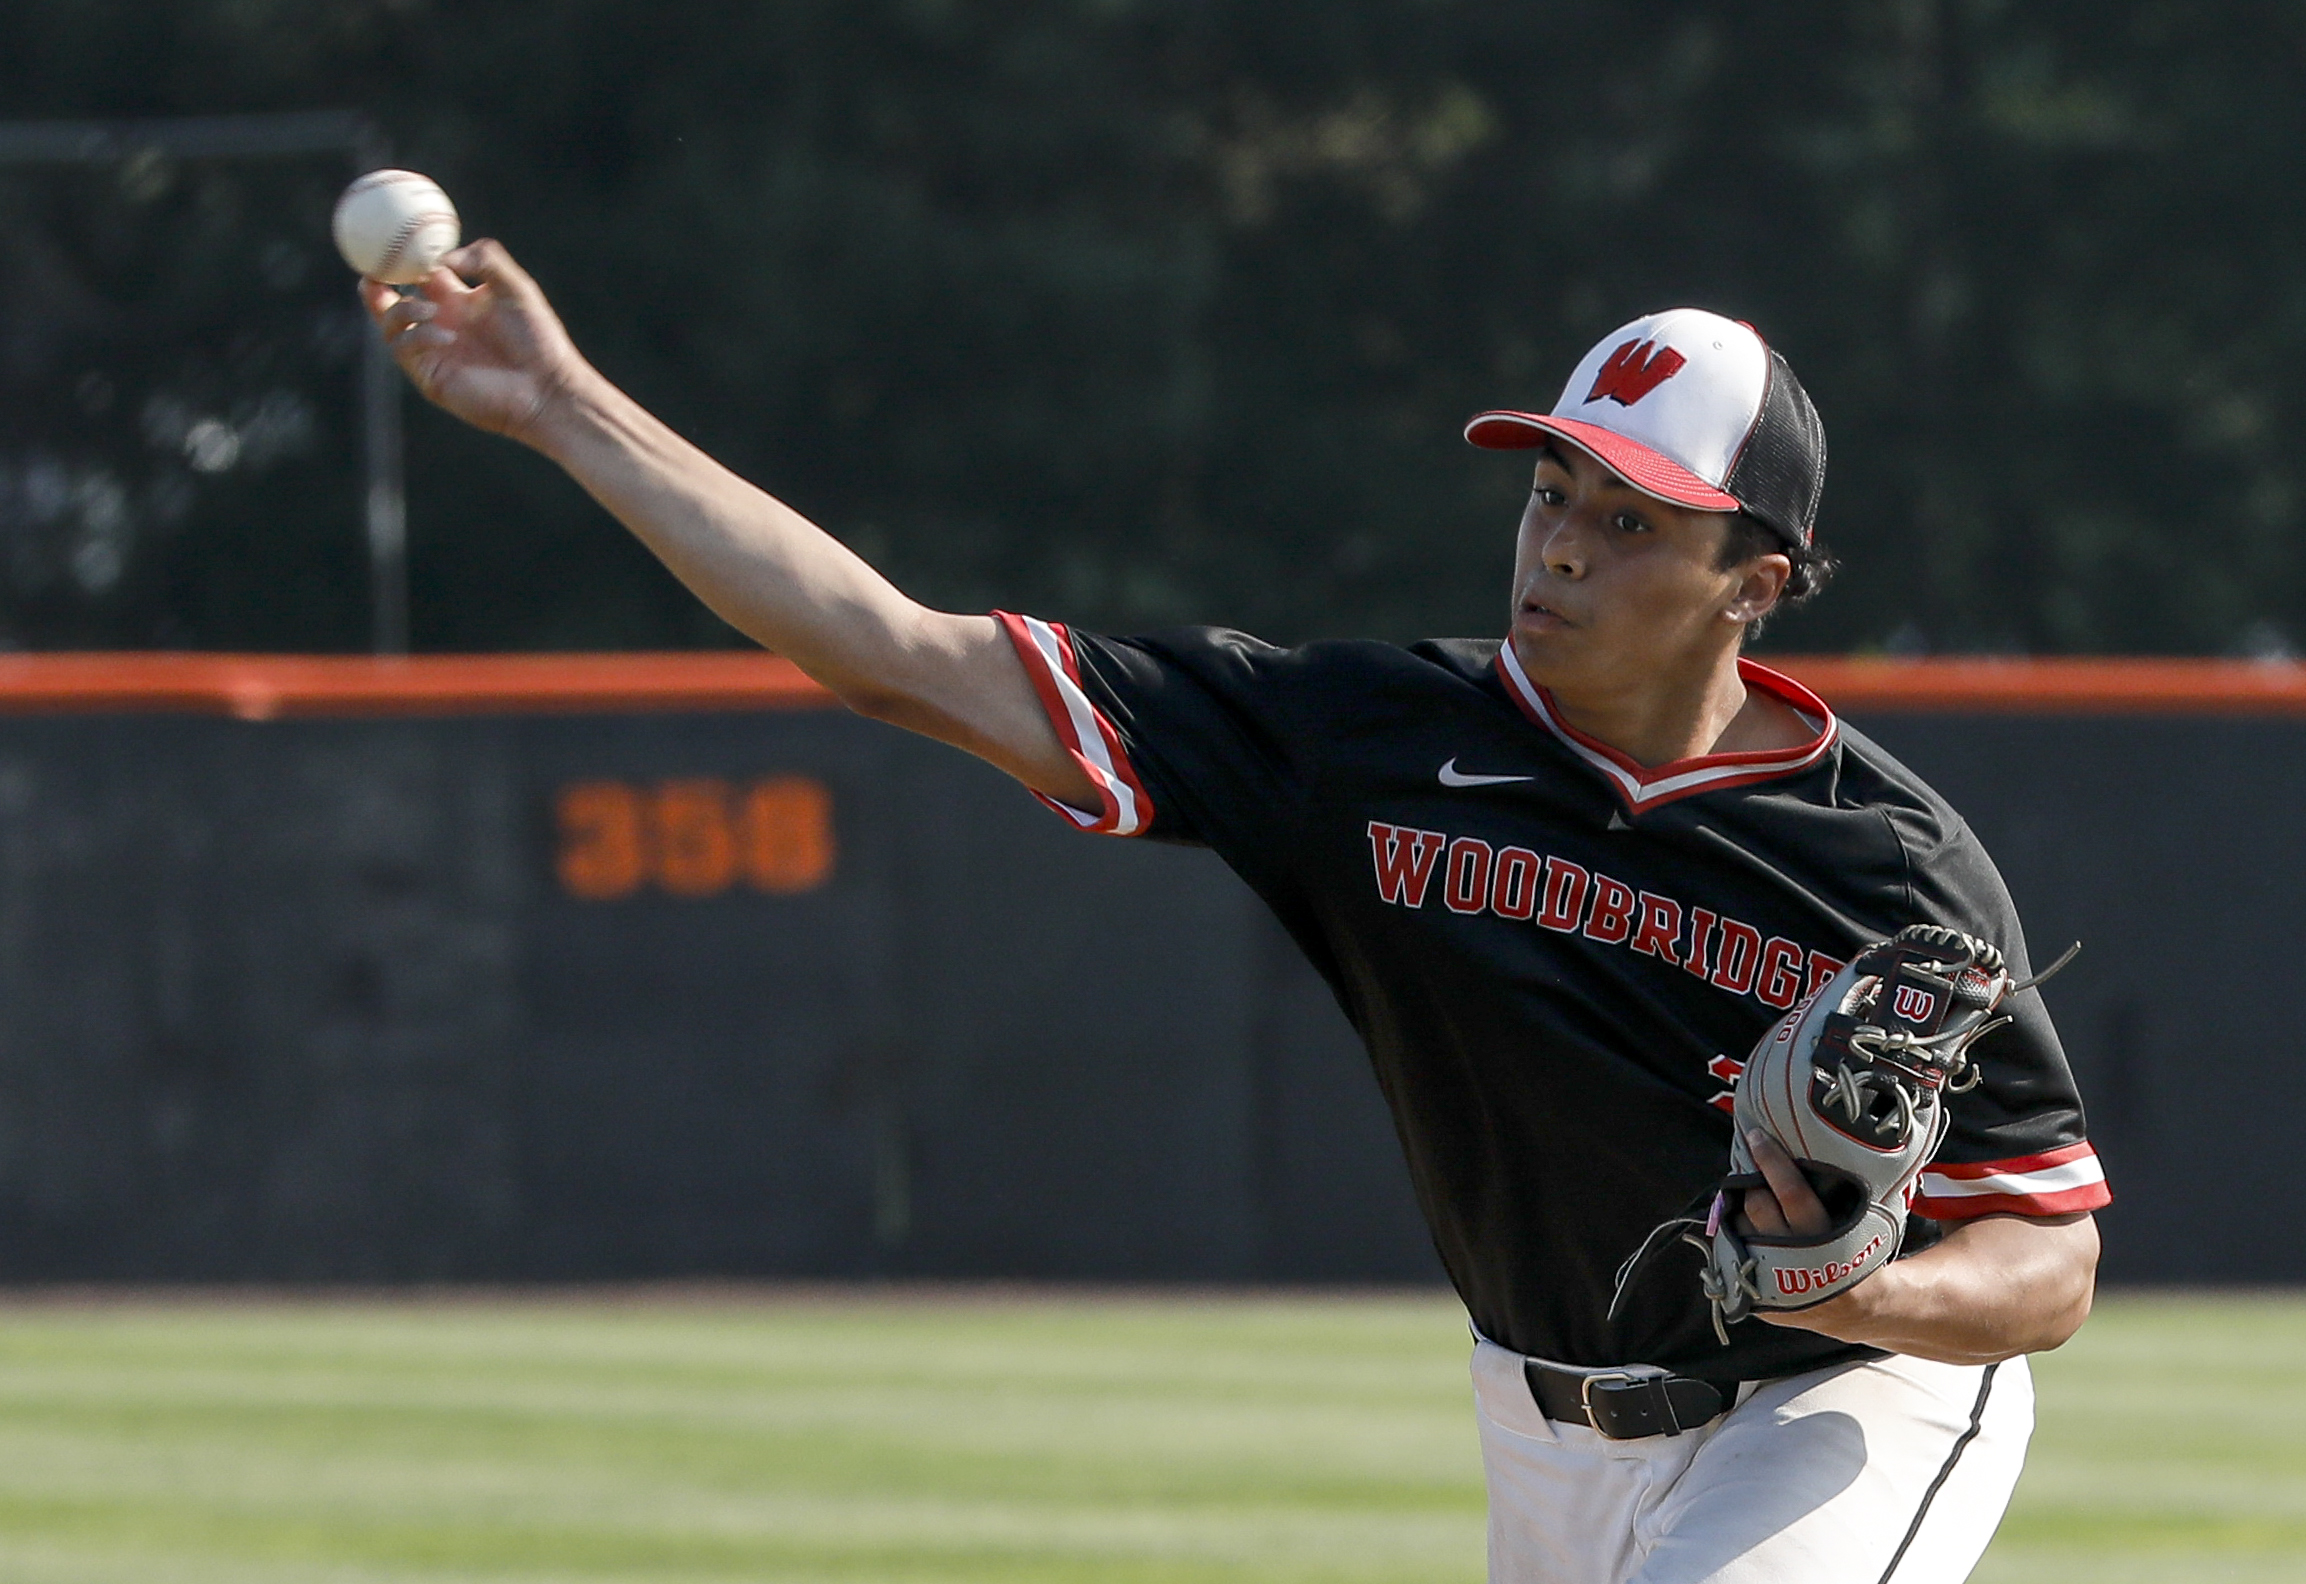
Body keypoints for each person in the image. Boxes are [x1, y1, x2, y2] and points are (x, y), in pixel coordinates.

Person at [366, 253, 2108, 1584]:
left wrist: (1862, 1296)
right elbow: (896, 656)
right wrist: (559, 404)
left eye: (1631, 523)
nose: (1560, 549)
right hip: (1546, 1423)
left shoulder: (1886, 867)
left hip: (1831, 1406)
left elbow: (2051, 1260)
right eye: (1550, 495)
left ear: (1756, 581)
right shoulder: (1369, 744)